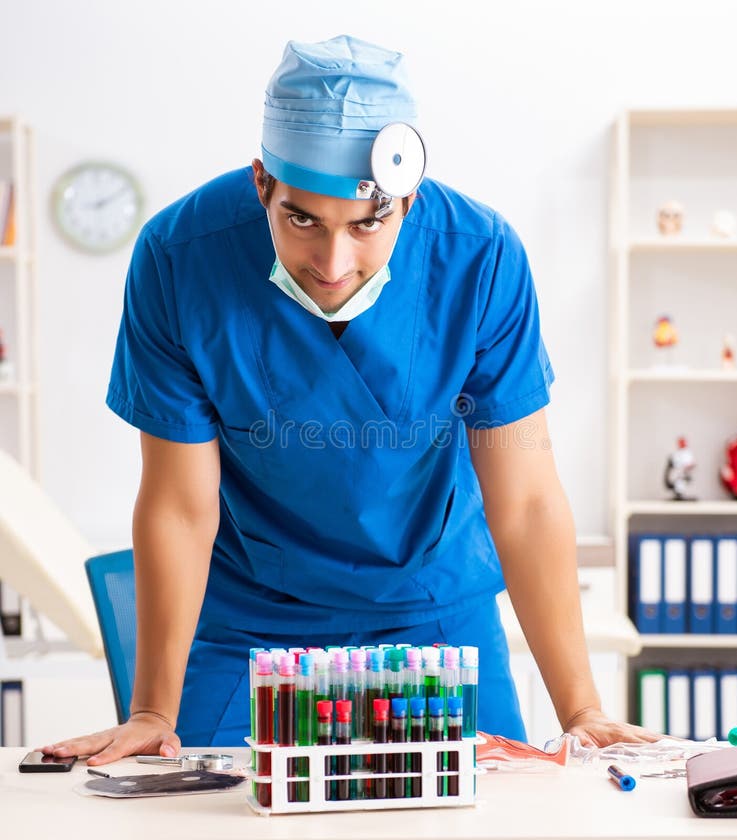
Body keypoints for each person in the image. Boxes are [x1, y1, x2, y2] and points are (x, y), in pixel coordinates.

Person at [42, 34, 655, 765]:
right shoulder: (180, 258)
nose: (334, 265)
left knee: (485, 812)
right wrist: (150, 709)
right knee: (201, 804)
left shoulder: (481, 258)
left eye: (368, 224)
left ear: (409, 199)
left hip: (433, 611)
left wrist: (582, 709)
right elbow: (180, 502)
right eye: (302, 219)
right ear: (262, 181)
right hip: (250, 621)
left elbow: (522, 499)